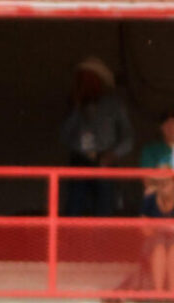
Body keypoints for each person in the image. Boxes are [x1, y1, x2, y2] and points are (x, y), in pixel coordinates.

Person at [59, 56, 133, 217]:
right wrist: (76, 108)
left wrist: (114, 154)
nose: (84, 83)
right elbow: (63, 137)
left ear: (98, 81)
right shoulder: (73, 106)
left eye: (88, 79)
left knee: (104, 209)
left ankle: (102, 242)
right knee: (74, 209)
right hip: (79, 160)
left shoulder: (114, 104)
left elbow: (128, 137)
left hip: (104, 160)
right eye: (82, 79)